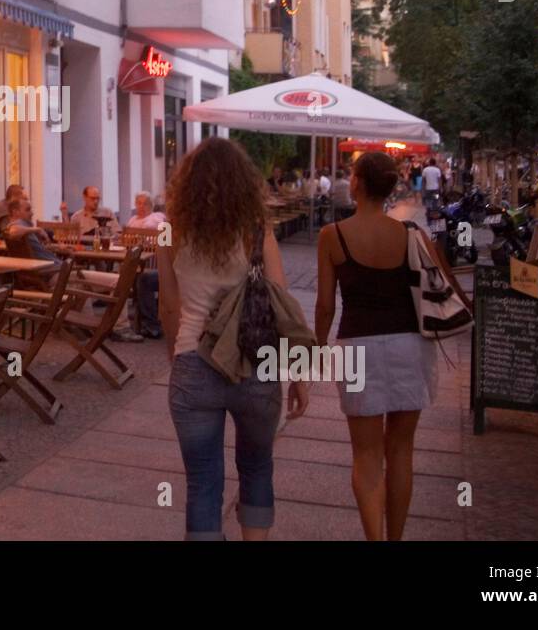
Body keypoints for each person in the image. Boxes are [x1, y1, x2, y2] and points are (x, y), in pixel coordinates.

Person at [158, 138, 309, 540]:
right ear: (245, 182)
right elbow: (281, 305)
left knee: (202, 482)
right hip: (255, 366)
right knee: (257, 466)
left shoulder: (170, 233)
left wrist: (177, 358)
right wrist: (297, 374)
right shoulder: (258, 232)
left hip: (194, 362)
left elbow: (168, 309)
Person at [314, 152, 438, 540]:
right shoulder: (410, 234)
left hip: (357, 349)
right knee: (401, 451)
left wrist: (318, 349)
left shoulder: (332, 236)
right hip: (409, 346)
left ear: (358, 184)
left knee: (366, 457)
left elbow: (325, 305)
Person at [3, 196, 138, 339]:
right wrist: (36, 229)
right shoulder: (18, 225)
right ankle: (120, 328)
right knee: (119, 281)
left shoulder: (24, 228)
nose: (32, 213)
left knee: (83, 285)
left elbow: (36, 249)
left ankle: (85, 329)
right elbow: (12, 231)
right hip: (59, 277)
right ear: (15, 211)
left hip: (59, 275)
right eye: (28, 209)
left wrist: (56, 246)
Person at [126, 192, 166, 340]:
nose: (142, 207)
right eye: (139, 203)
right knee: (125, 276)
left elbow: (166, 241)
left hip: (153, 263)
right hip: (134, 261)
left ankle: (150, 325)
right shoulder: (132, 219)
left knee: (142, 278)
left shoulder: (159, 218)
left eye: (145, 204)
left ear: (152, 206)